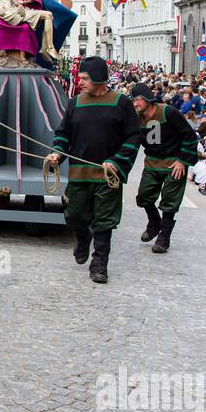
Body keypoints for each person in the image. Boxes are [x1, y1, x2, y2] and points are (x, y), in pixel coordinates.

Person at [44, 56, 141, 283]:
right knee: (75, 215)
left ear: (99, 78)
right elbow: (63, 133)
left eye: (85, 78)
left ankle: (99, 265)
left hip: (108, 176)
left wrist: (117, 161)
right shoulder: (75, 103)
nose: (81, 82)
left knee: (103, 221)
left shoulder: (121, 103)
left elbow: (133, 138)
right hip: (79, 173)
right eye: (80, 78)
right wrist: (57, 152)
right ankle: (82, 237)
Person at [130, 84, 199, 254]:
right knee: (144, 197)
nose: (135, 104)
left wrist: (183, 161)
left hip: (174, 163)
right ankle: (154, 222)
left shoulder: (168, 112)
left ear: (148, 100)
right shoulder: (136, 119)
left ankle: (164, 237)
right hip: (152, 162)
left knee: (169, 201)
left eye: (138, 100)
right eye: (133, 100)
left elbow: (189, 136)